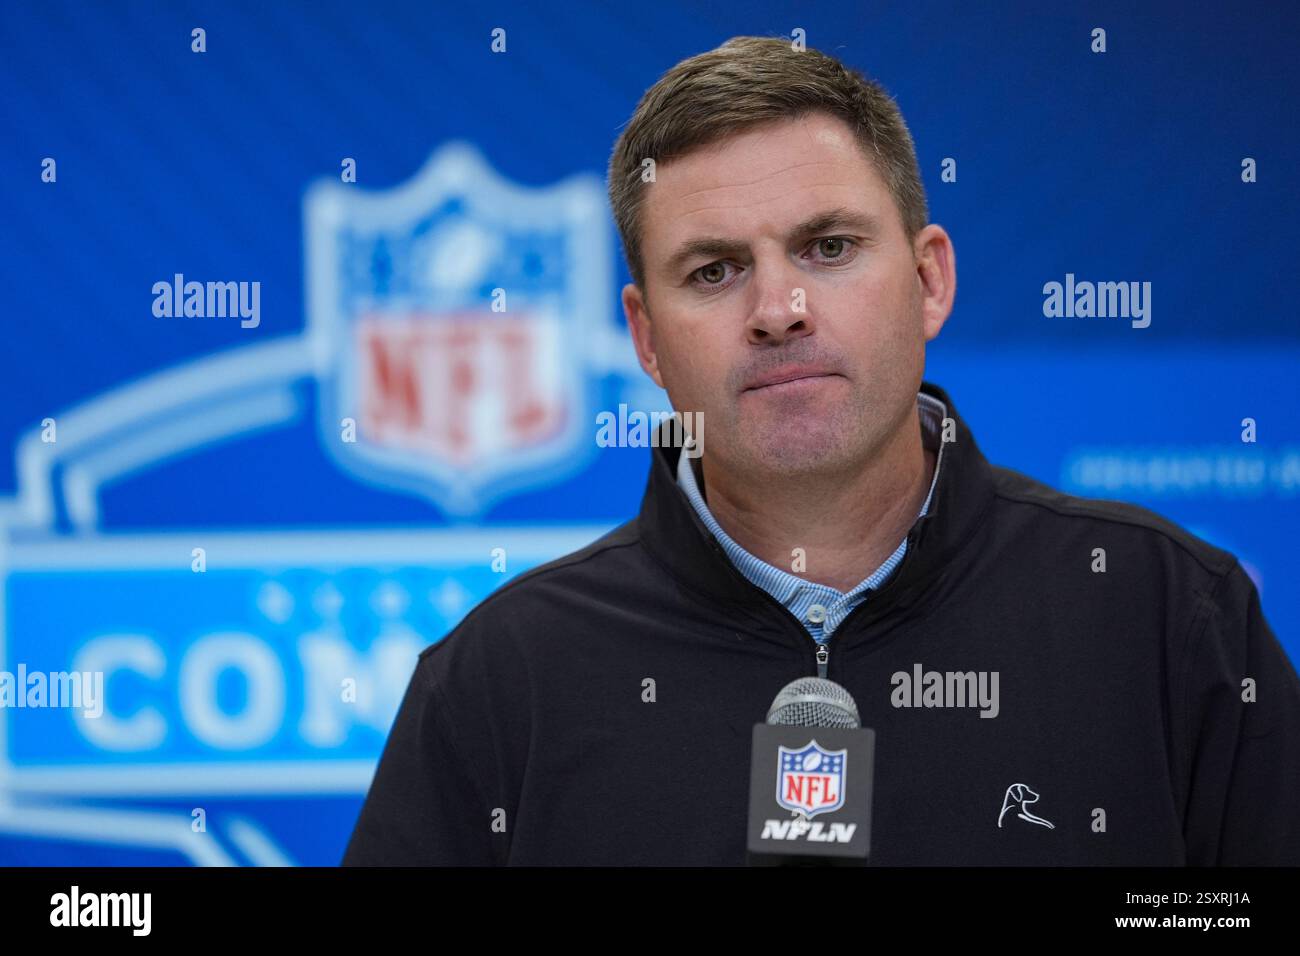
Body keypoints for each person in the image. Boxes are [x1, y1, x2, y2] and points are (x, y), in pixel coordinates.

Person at [342, 35, 1300, 866]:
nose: (777, 311)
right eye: (714, 271)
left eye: (828, 248)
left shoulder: (1169, 614)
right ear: (645, 340)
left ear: (929, 280)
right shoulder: (499, 682)